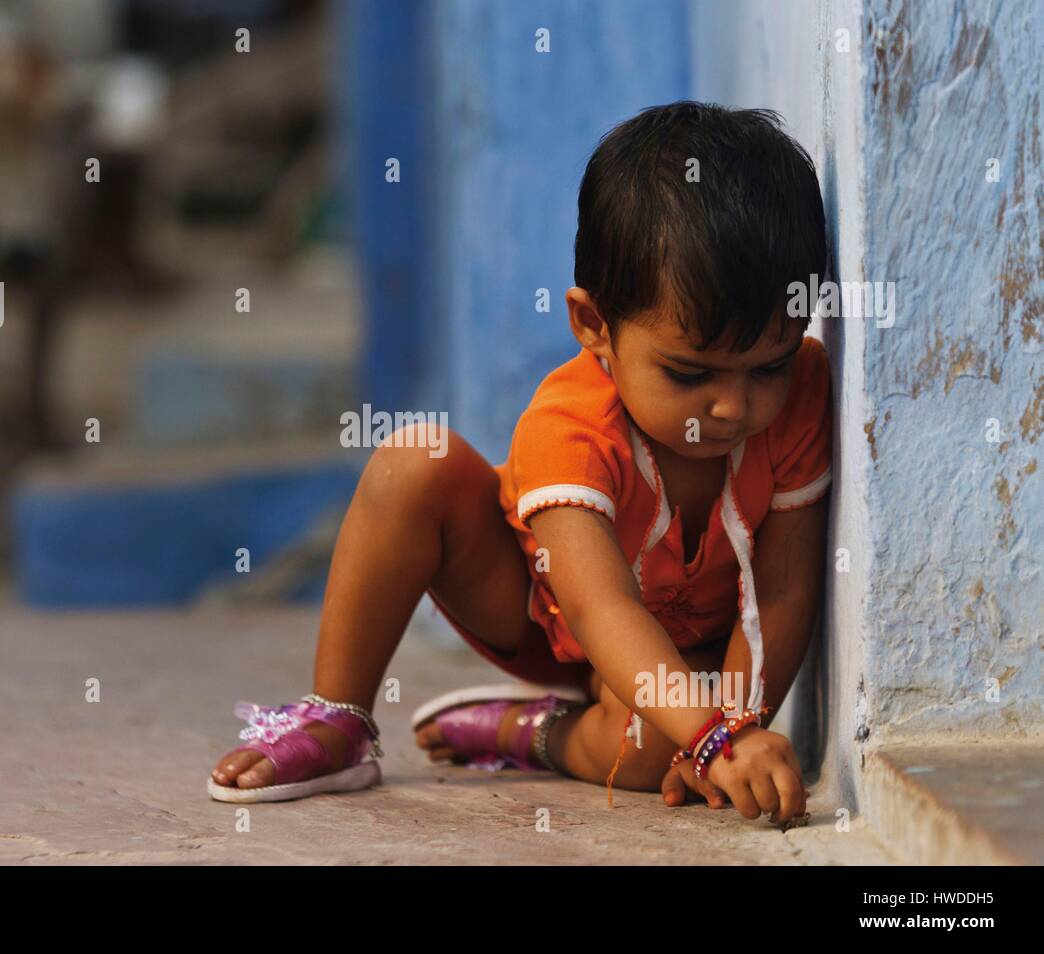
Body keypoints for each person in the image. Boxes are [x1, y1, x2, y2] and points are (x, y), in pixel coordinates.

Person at [209, 102, 831, 824]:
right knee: (413, 462)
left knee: (652, 748)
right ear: (594, 326)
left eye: (768, 367)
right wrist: (717, 735)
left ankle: (527, 733)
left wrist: (730, 736)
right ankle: (337, 717)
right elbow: (601, 608)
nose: (734, 406)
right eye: (691, 375)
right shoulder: (567, 428)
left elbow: (782, 592)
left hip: (687, 654)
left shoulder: (804, 393)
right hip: (546, 617)